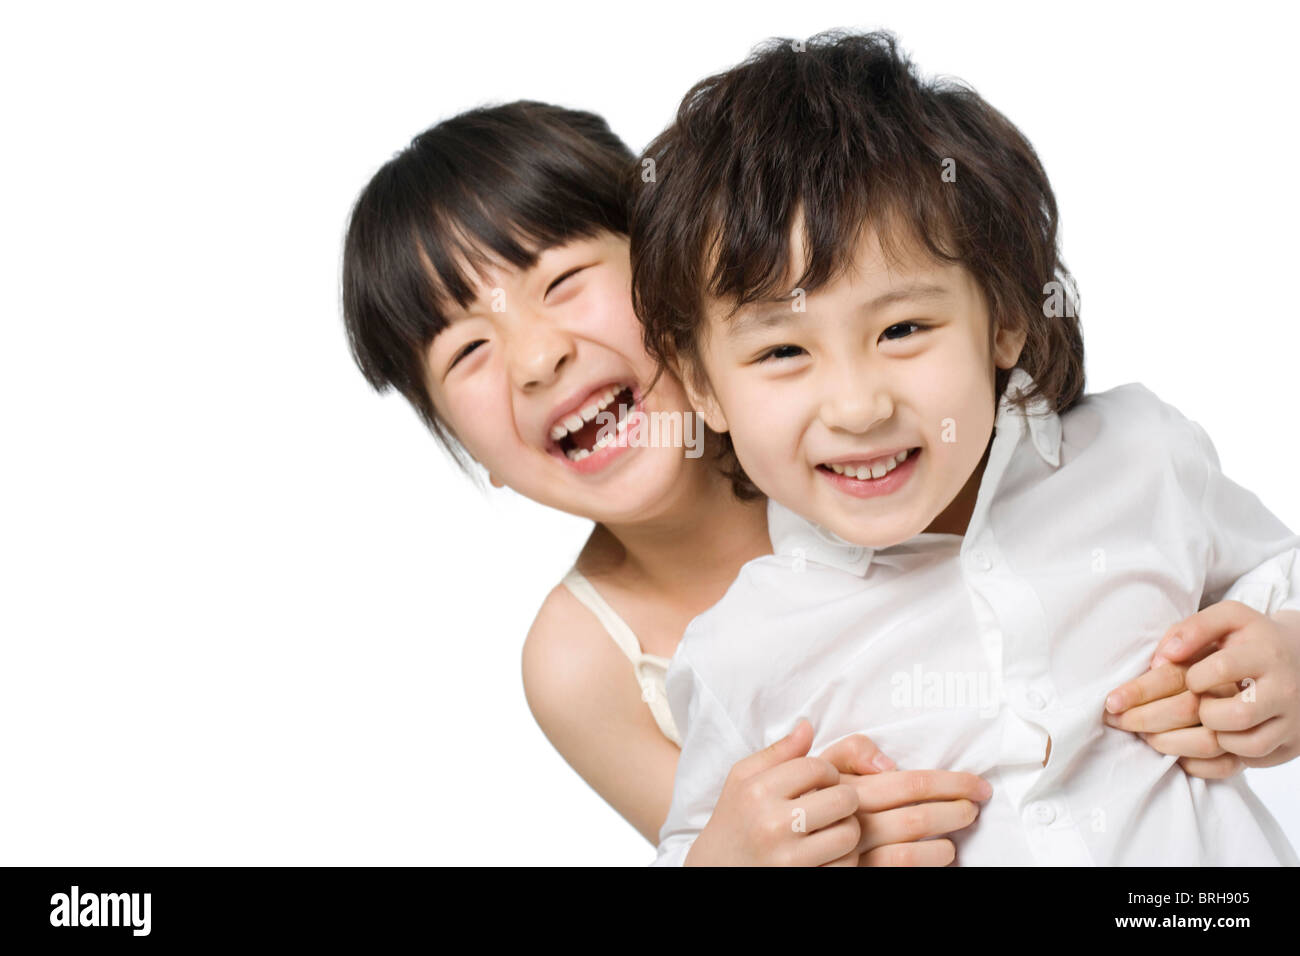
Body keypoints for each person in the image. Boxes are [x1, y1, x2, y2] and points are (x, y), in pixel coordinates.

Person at [628, 29, 1300, 865]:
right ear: (701, 386)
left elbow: (1279, 576)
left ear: (1006, 318)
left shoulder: (1140, 455)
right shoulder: (740, 651)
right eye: (782, 352)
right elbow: (702, 835)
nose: (858, 404)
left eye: (904, 328)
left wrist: (1291, 656)